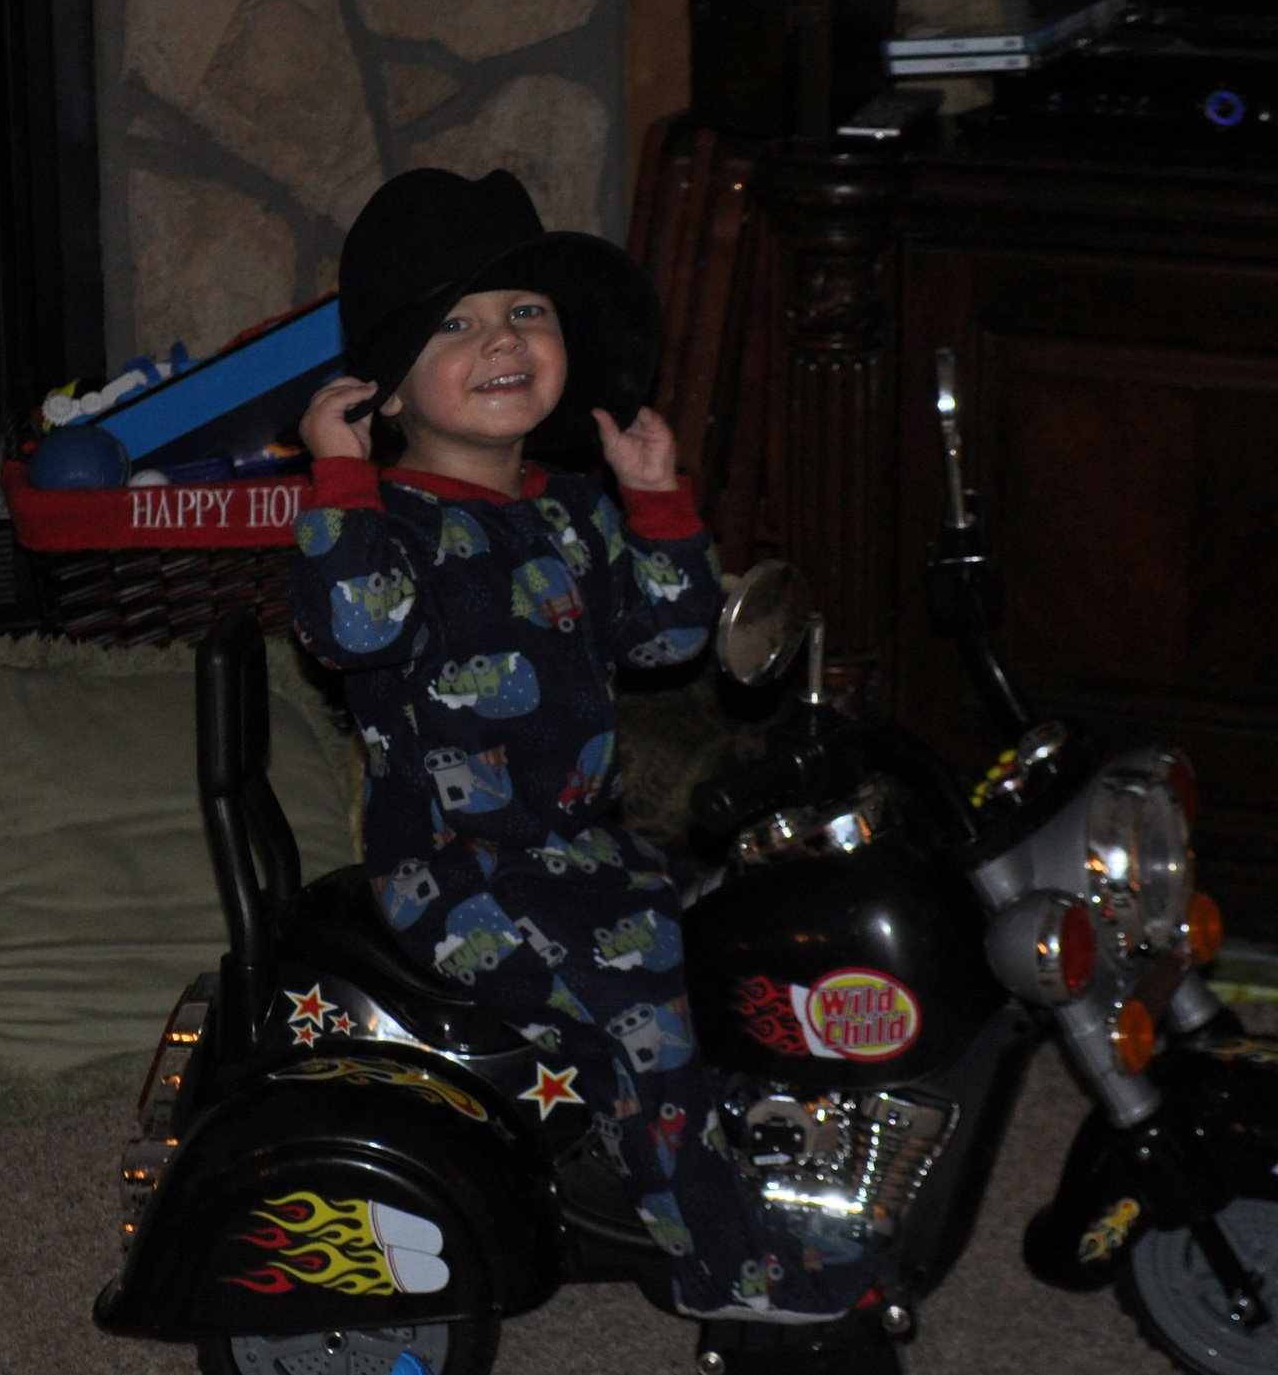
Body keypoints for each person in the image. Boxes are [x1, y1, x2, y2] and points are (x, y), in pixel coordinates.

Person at [290, 169, 877, 1332]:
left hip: (581, 843)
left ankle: (761, 1164)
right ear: (385, 394)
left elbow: (663, 637)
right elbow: (349, 623)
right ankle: (721, 1265)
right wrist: (337, 475)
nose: (502, 339)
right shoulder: (384, 524)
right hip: (460, 871)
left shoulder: (568, 505)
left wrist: (657, 498)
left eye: (527, 312)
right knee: (643, 1015)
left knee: (742, 933)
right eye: (453, 325)